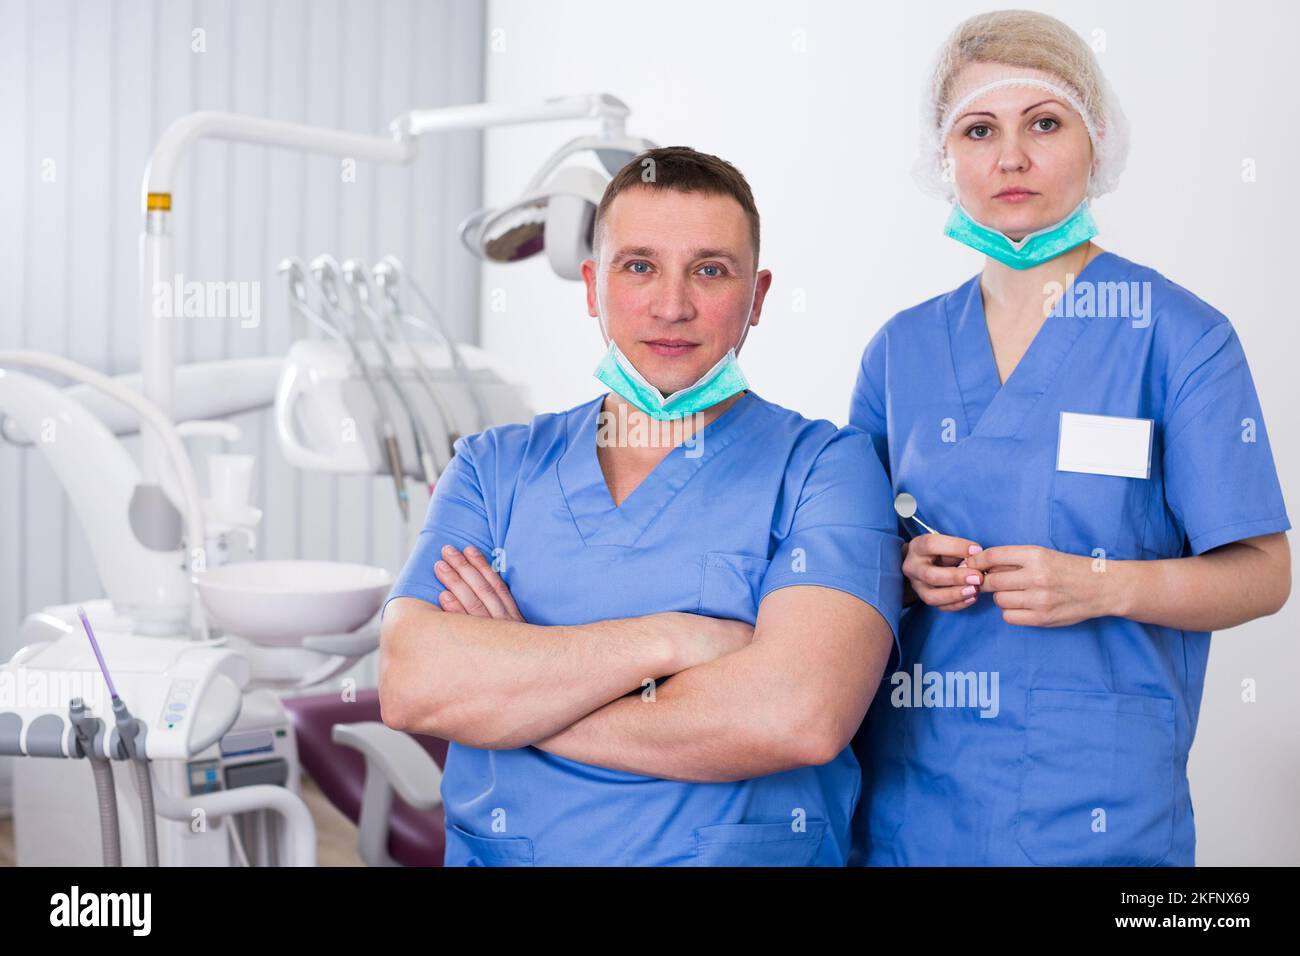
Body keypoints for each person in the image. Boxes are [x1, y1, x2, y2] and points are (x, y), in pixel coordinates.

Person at [849, 10, 1291, 866]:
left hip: (1104, 815)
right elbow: (842, 561)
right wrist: (902, 573)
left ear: (1097, 140)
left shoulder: (1179, 336)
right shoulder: (901, 352)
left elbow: (1264, 576)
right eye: (979, 129)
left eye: (1043, 123)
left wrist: (1102, 585)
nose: (1010, 158)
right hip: (913, 805)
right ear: (946, 158)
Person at [380, 146, 903, 866]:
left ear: (757, 297)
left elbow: (798, 717)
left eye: (711, 270)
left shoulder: (826, 468)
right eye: (640, 266)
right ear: (593, 286)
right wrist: (674, 639)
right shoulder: (492, 467)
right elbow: (413, 684)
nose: (672, 305)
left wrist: (514, 700)